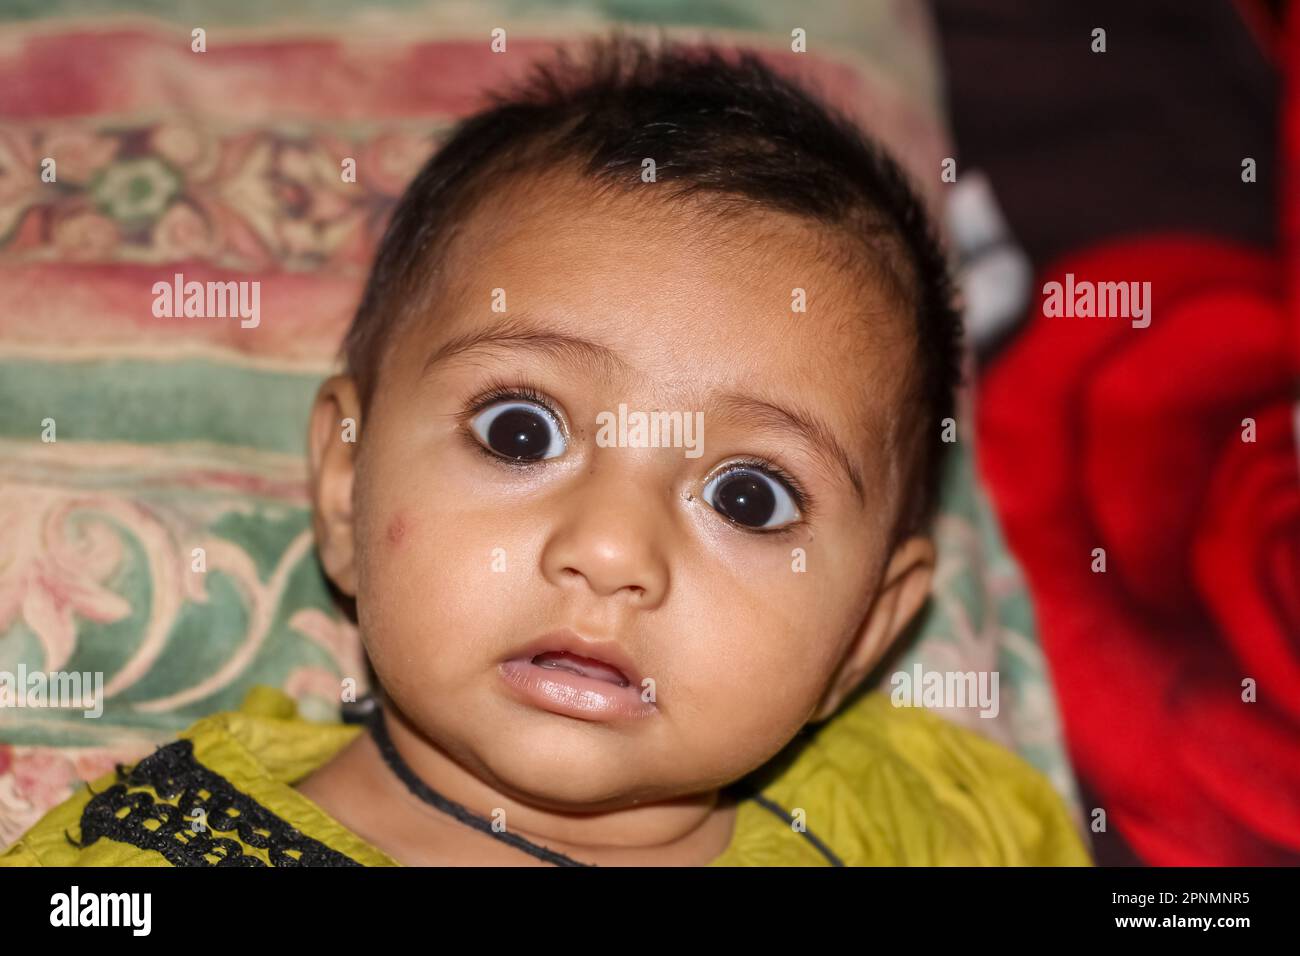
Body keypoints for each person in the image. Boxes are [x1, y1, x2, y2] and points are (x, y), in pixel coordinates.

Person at [1, 34, 1090, 867]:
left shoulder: (935, 818)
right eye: (522, 430)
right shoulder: (159, 853)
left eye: (748, 496)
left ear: (865, 633)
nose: (612, 549)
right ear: (343, 483)